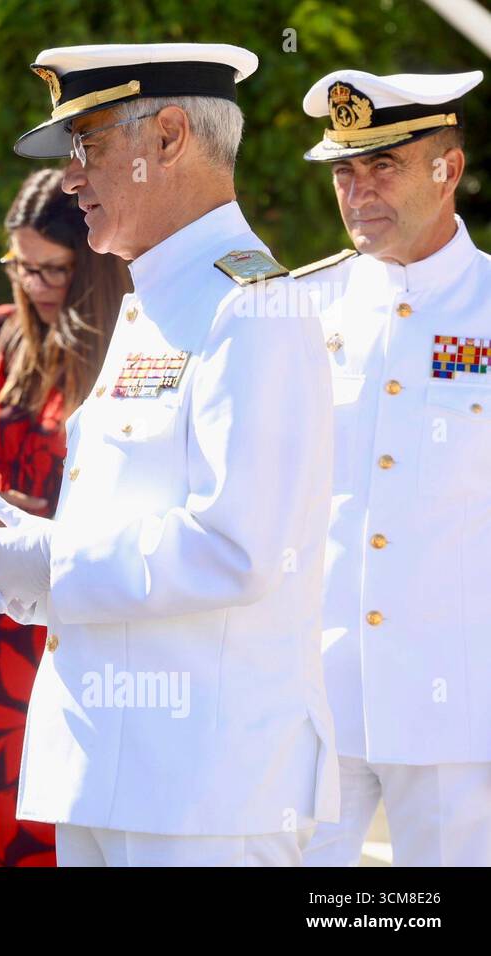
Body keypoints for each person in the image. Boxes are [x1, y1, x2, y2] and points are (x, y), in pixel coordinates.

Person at [0, 42, 339, 866]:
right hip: (112, 775)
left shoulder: (249, 308)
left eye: (88, 146)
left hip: (202, 795)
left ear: (167, 137)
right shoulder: (155, 300)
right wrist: (36, 578)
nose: (72, 177)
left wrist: (54, 562)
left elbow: (240, 547)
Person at [290, 70, 491, 867]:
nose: (359, 190)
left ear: (450, 168)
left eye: (385, 166)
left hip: (457, 699)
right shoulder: (302, 307)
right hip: (315, 696)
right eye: (345, 170)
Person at [0, 167, 129, 866]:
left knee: (70, 822)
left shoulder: (131, 350)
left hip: (75, 608)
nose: (38, 284)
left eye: (56, 269)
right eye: (22, 267)